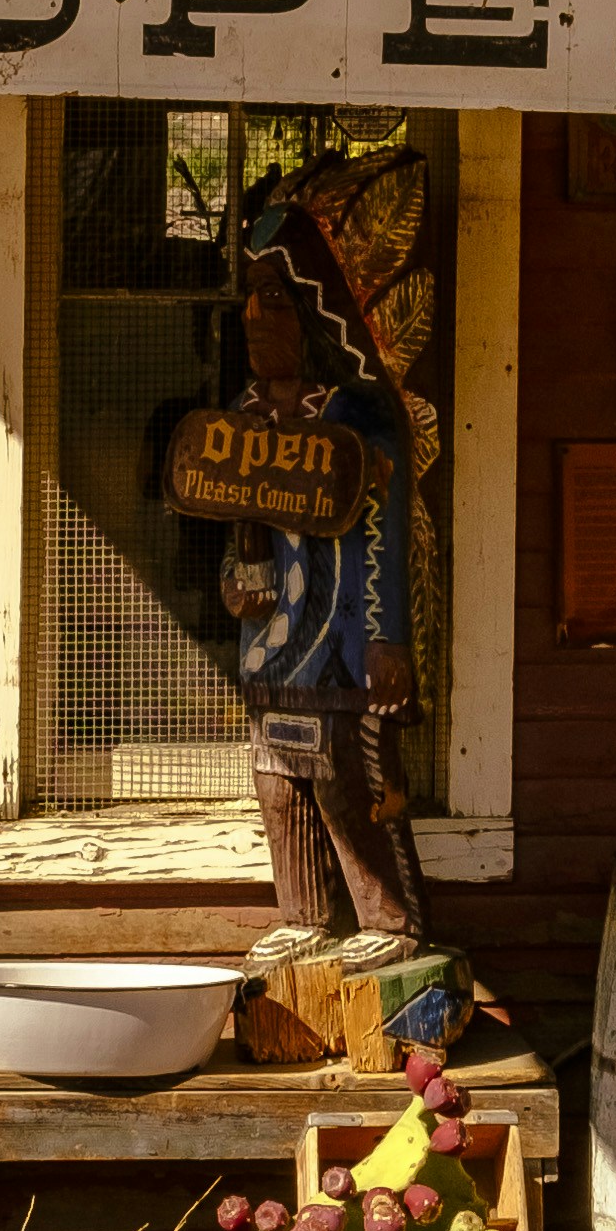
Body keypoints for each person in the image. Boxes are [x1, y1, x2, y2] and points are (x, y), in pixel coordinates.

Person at [218, 151, 435, 959]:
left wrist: (388, 640)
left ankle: (390, 921)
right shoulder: (243, 417)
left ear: (316, 312)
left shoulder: (358, 418)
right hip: (271, 642)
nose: (253, 314)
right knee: (279, 781)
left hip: (342, 646)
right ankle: (304, 913)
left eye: (274, 295)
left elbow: (381, 535)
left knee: (348, 782)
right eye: (250, 295)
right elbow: (239, 517)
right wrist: (242, 576)